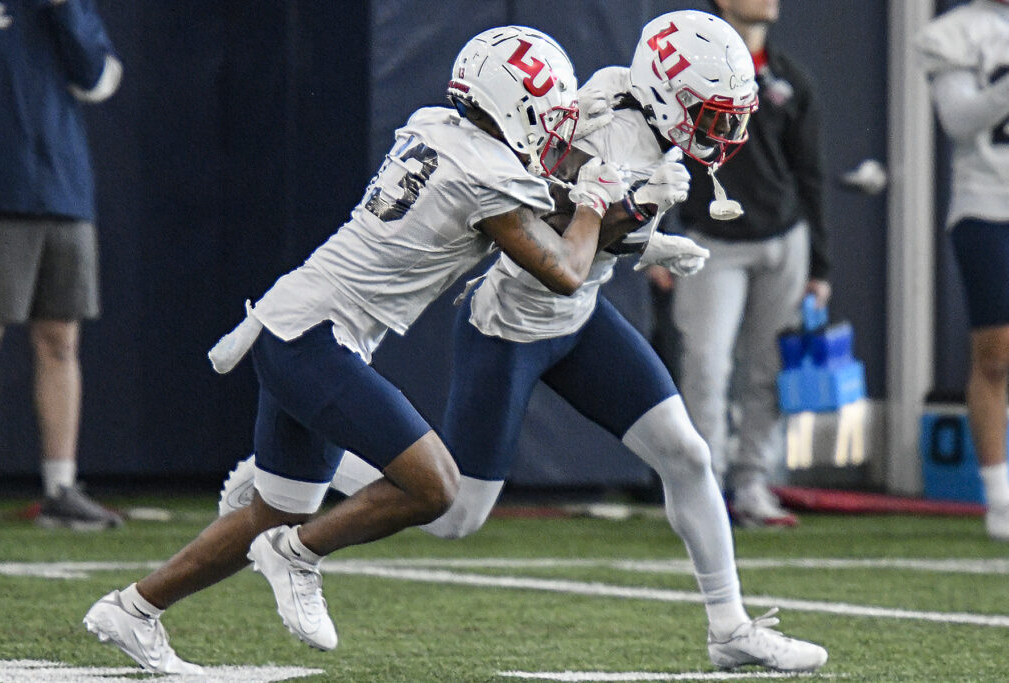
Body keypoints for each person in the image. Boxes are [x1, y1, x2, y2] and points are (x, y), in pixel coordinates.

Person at [222, 11, 828, 673]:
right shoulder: (602, 125)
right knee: (456, 514)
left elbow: (585, 247)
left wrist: (642, 235)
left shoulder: (626, 101)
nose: (723, 133)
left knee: (686, 452)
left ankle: (730, 626)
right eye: (711, 116)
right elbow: (543, 220)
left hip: (581, 317)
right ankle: (294, 472)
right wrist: (630, 221)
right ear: (667, 92)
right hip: (511, 326)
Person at [82, 26, 641, 675]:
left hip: (295, 322)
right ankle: (297, 554)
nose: (552, 130)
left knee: (276, 508)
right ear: (515, 107)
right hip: (316, 337)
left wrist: (613, 218)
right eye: (546, 114)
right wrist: (599, 203)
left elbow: (536, 223)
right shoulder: (489, 177)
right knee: (437, 486)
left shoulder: (436, 126)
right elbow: (564, 268)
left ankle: (134, 608)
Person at [668, 0, 831, 527]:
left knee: (770, 369)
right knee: (707, 366)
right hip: (711, 242)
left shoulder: (789, 79)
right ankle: (704, 489)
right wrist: (659, 236)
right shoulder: (688, 72)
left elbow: (810, 175)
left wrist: (819, 268)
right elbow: (659, 152)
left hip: (784, 239)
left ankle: (754, 482)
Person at [0, 0, 124, 531]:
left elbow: (99, 80)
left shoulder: (67, 7)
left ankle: (60, 488)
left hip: (63, 192)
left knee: (61, 340)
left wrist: (65, 10)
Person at [915, 0, 1009, 541]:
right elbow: (959, 118)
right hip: (987, 206)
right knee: (995, 354)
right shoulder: (953, 33)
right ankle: (998, 496)